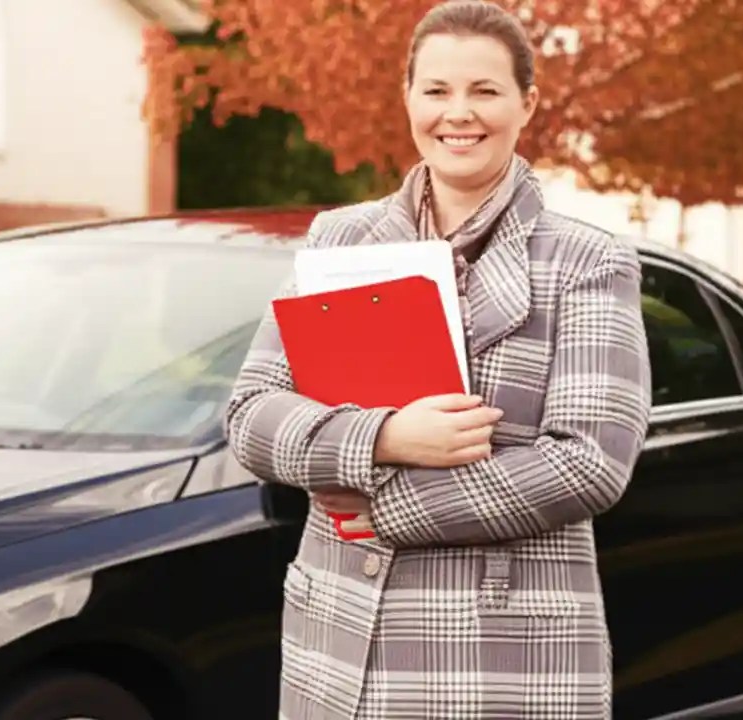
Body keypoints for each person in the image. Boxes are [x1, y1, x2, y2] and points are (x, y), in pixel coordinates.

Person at [222, 1, 652, 718]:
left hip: (497, 653)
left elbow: (589, 462)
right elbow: (250, 414)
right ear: (409, 98)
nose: (460, 114)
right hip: (338, 645)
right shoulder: (341, 241)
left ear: (526, 104)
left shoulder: (585, 261)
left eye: (485, 91)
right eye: (438, 90)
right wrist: (386, 437)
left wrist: (387, 509)